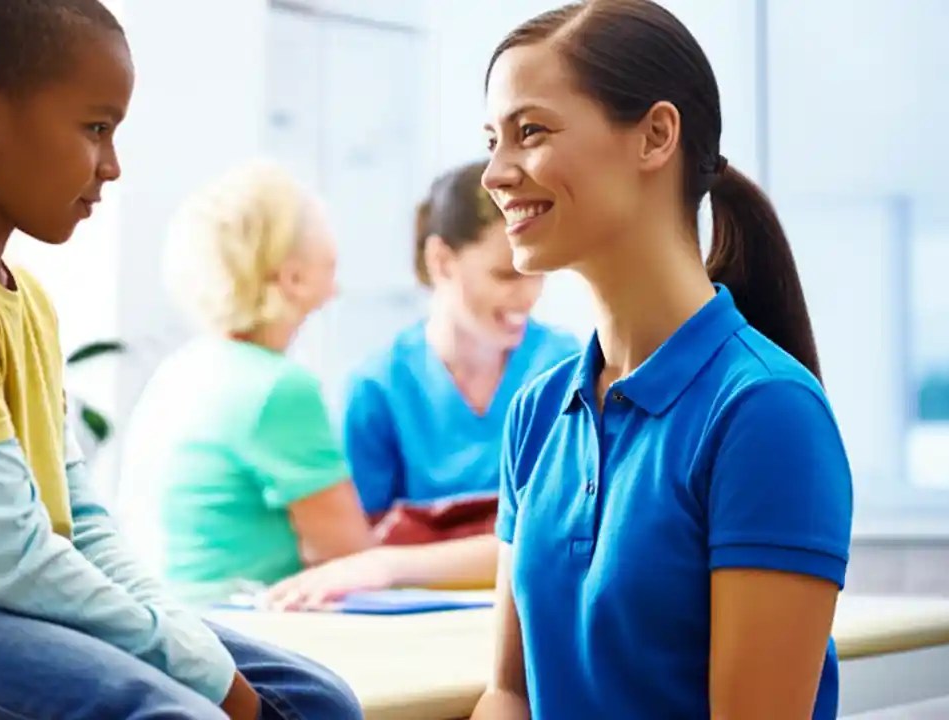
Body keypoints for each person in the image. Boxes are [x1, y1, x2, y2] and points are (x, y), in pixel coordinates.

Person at [0, 2, 361, 719]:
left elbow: (78, 514)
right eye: (95, 128)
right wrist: (207, 675)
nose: (111, 166)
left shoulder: (26, 300)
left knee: (315, 702)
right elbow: (8, 559)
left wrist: (174, 631)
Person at [472, 2, 853, 719]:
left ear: (655, 135)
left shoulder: (766, 413)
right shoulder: (537, 411)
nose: (495, 173)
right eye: (492, 139)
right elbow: (510, 692)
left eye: (530, 132)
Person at [264, 161, 580, 605]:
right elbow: (356, 553)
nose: (528, 294)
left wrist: (393, 565)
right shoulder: (378, 387)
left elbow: (564, 538)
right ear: (441, 261)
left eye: (538, 270)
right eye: (506, 275)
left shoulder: (568, 371)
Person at [118, 161, 374, 605]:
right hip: (238, 630)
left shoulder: (184, 368)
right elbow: (350, 559)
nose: (338, 284)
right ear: (293, 278)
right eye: (330, 263)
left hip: (167, 618)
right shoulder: (277, 389)